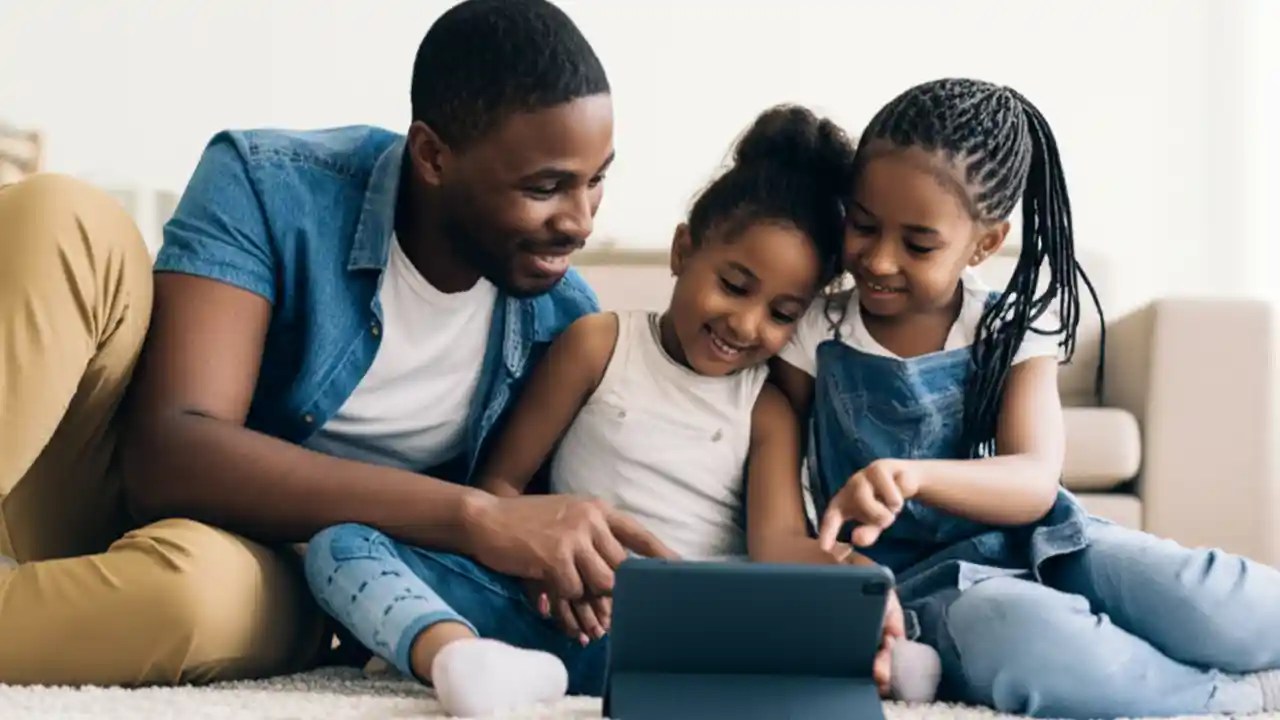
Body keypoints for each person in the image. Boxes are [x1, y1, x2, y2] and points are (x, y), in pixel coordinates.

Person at [0, 0, 673, 686]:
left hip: (276, 575)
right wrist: (474, 516)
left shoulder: (563, 328)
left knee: (191, 601)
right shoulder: (272, 184)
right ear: (433, 155)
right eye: (546, 187)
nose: (580, 222)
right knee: (62, 215)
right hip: (87, 480)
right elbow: (168, 454)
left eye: (596, 181)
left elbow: (526, 550)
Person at [306, 105, 940, 717]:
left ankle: (888, 655)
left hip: (687, 642)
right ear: (684, 250)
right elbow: (499, 488)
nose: (745, 324)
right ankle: (462, 656)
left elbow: (777, 546)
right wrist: (537, 571)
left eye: (781, 314)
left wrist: (863, 578)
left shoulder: (766, 406)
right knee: (338, 545)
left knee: (813, 623)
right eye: (734, 285)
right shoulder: (598, 344)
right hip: (553, 616)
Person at [771, 77, 1280, 719]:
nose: (877, 259)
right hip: (917, 587)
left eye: (918, 243)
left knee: (1208, 597)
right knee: (1025, 639)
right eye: (863, 225)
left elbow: (1034, 481)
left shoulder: (1006, 329)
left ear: (985, 242)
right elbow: (778, 512)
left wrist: (914, 475)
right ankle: (1234, 699)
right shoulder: (817, 332)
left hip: (1046, 542)